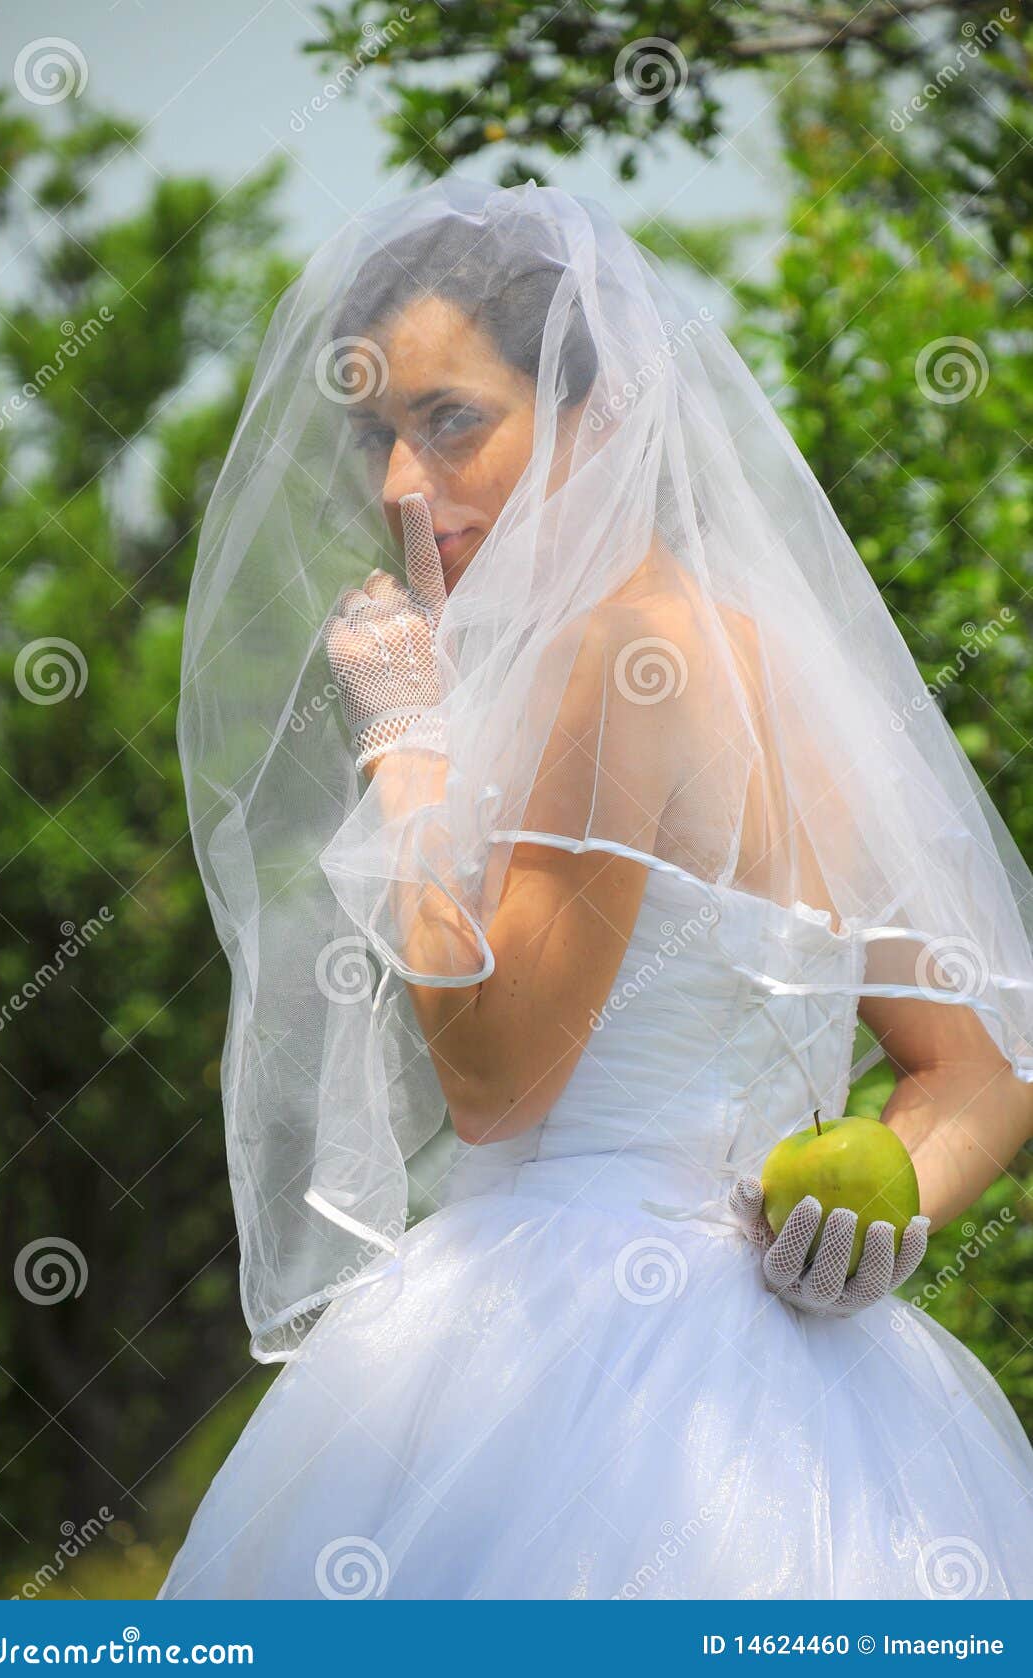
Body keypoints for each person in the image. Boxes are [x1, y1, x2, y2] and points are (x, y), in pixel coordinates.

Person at [158, 178, 1033, 1600]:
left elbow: (497, 1080)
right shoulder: (773, 666)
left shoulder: (619, 655)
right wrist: (878, 1227)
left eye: (452, 421)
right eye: (374, 432)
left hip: (569, 1349)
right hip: (824, 1389)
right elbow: (978, 1075)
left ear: (601, 416)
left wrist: (406, 744)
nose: (397, 483)